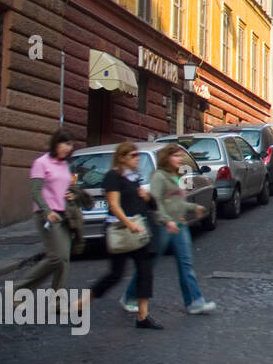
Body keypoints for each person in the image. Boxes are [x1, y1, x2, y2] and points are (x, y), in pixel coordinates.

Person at [120, 144, 216, 316]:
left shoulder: (175, 176)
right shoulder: (158, 176)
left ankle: (194, 302)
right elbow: (157, 202)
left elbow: (178, 202)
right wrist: (166, 221)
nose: (180, 159)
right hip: (163, 227)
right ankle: (130, 296)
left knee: (186, 265)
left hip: (179, 225)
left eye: (181, 156)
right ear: (167, 158)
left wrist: (194, 207)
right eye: (176, 156)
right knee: (151, 264)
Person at [89, 142, 161, 329]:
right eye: (133, 156)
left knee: (145, 272)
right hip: (121, 231)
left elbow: (144, 203)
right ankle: (82, 301)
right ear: (122, 158)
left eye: (137, 156)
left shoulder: (134, 177)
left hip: (138, 230)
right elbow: (113, 205)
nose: (137, 159)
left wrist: (147, 198)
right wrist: (129, 224)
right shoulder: (113, 177)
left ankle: (143, 317)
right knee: (115, 275)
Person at [17, 129, 78, 294]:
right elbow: (35, 192)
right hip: (47, 216)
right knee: (56, 256)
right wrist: (47, 210)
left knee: (64, 259)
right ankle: (19, 289)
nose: (67, 148)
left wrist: (70, 194)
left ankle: (57, 301)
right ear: (55, 143)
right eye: (64, 143)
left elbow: (64, 188)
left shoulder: (65, 165)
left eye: (70, 145)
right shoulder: (41, 162)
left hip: (64, 215)